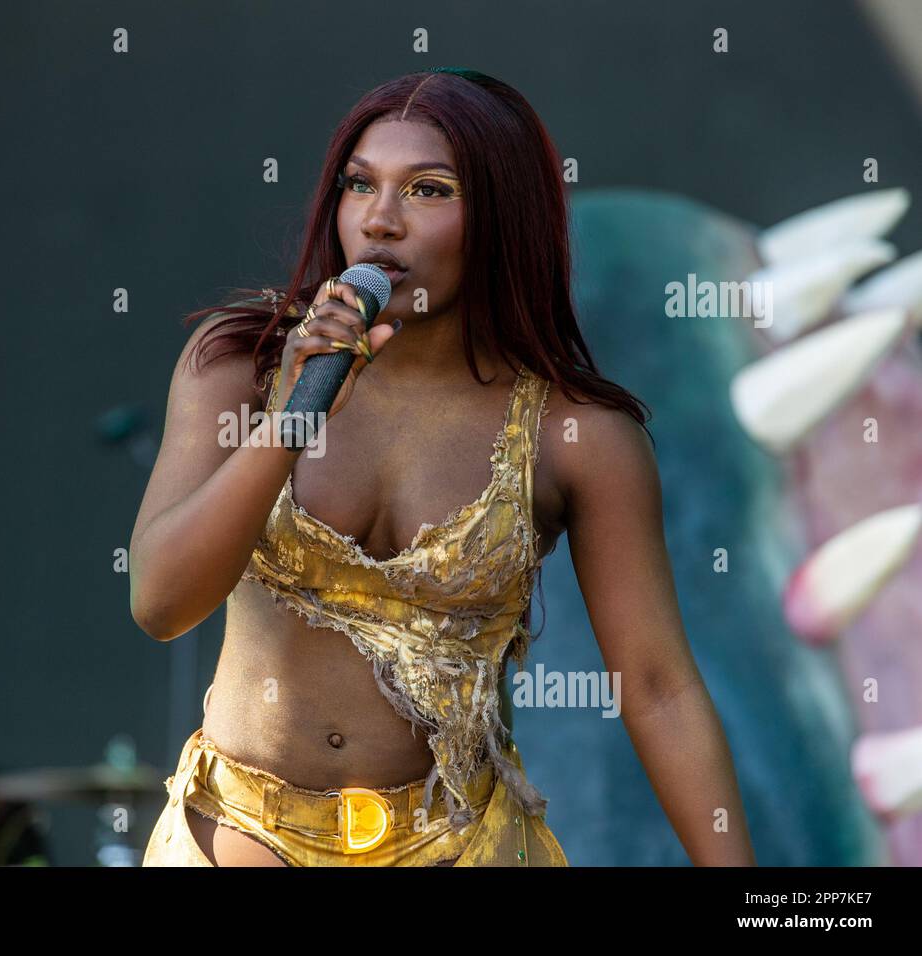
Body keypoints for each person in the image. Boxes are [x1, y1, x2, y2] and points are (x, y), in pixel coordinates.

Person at [129, 67, 755, 866]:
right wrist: (293, 413)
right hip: (242, 836)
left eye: (428, 191)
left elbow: (660, 687)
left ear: (501, 217)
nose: (381, 221)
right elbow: (160, 603)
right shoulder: (239, 365)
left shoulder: (575, 434)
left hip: (465, 844)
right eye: (362, 184)